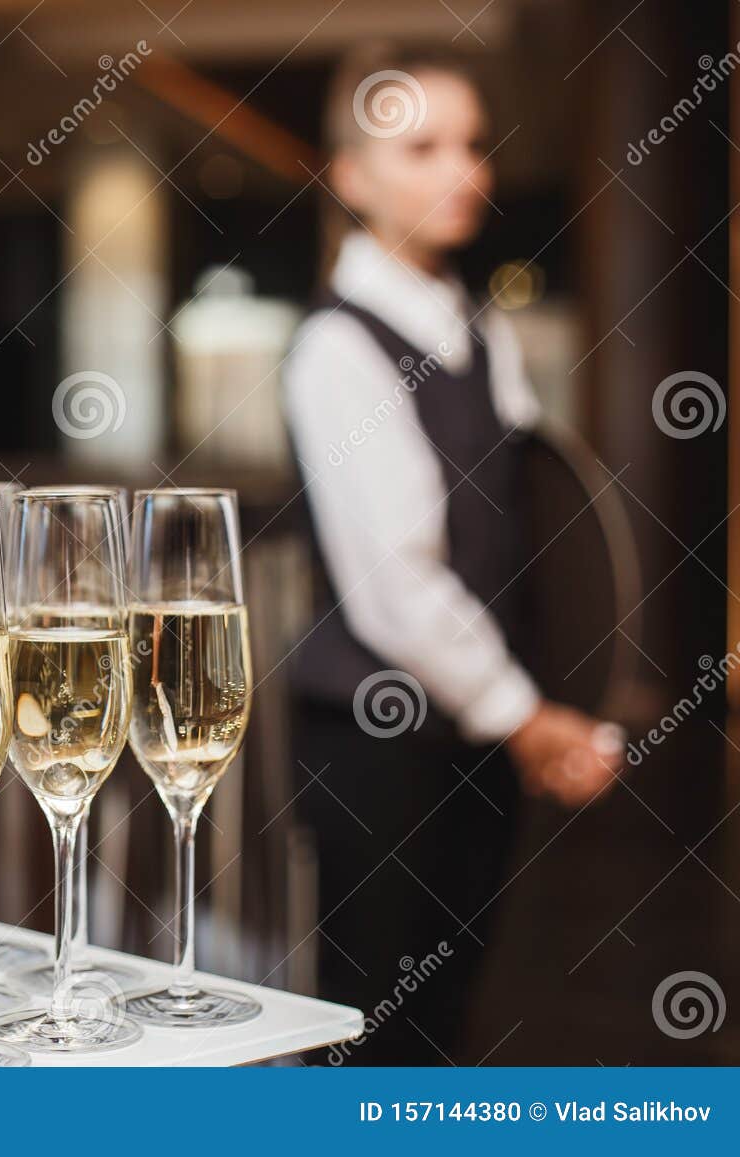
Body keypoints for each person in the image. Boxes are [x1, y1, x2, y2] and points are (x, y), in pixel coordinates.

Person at [282, 45, 623, 1065]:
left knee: (454, 1005)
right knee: (376, 1020)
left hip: (471, 733)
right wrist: (526, 714)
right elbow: (394, 586)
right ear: (350, 178)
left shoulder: (476, 324)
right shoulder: (336, 347)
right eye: (421, 146)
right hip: (375, 742)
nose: (461, 171)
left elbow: (526, 515)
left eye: (472, 145)